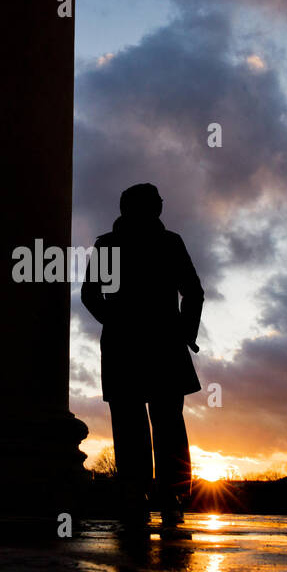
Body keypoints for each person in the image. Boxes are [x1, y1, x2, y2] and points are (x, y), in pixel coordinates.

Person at [82, 183, 204, 529]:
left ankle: (134, 495)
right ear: (149, 208)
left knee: (129, 422)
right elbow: (193, 292)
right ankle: (170, 498)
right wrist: (185, 332)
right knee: (168, 423)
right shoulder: (170, 242)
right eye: (157, 202)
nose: (162, 206)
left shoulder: (108, 244)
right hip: (164, 343)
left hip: (124, 345)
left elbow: (90, 295)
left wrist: (115, 321)